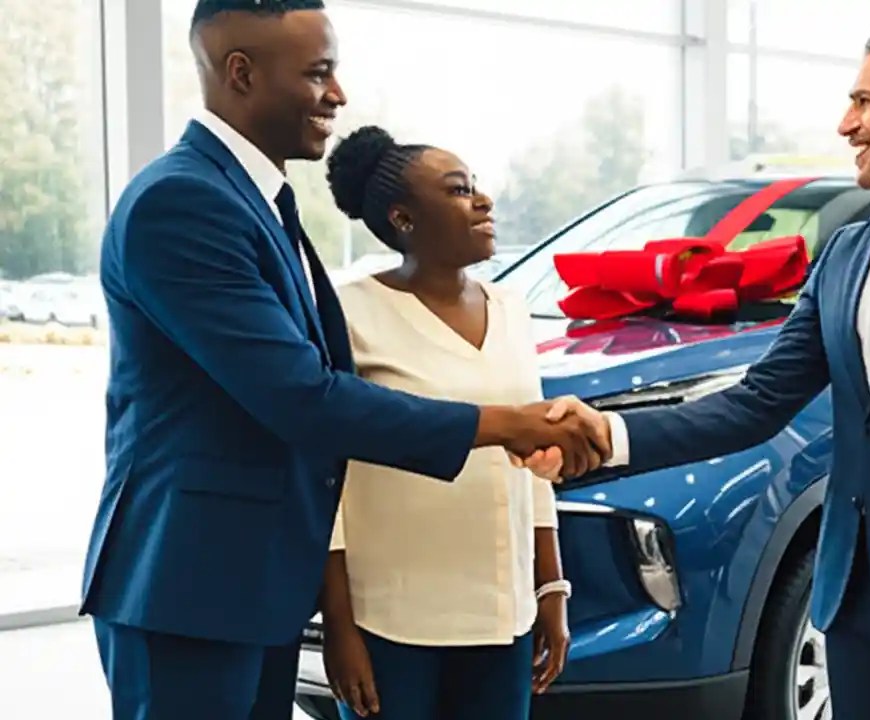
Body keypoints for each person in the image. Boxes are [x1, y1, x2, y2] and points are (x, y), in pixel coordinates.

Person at [535, 25, 870, 720]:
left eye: (864, 101)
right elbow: (758, 403)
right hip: (852, 609)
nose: (845, 123)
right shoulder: (848, 253)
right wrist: (611, 434)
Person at [80, 2, 603, 718]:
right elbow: (303, 397)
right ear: (241, 73)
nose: (339, 95)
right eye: (318, 73)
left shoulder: (257, 201)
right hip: (189, 585)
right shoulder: (183, 203)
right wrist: (506, 424)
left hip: (250, 586)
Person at [315, 126, 571, 720]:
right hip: (392, 620)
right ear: (404, 218)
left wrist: (550, 588)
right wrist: (339, 626)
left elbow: (534, 460)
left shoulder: (509, 309)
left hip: (503, 617)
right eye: (459, 191)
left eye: (477, 187)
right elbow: (325, 473)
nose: (483, 201)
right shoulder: (348, 312)